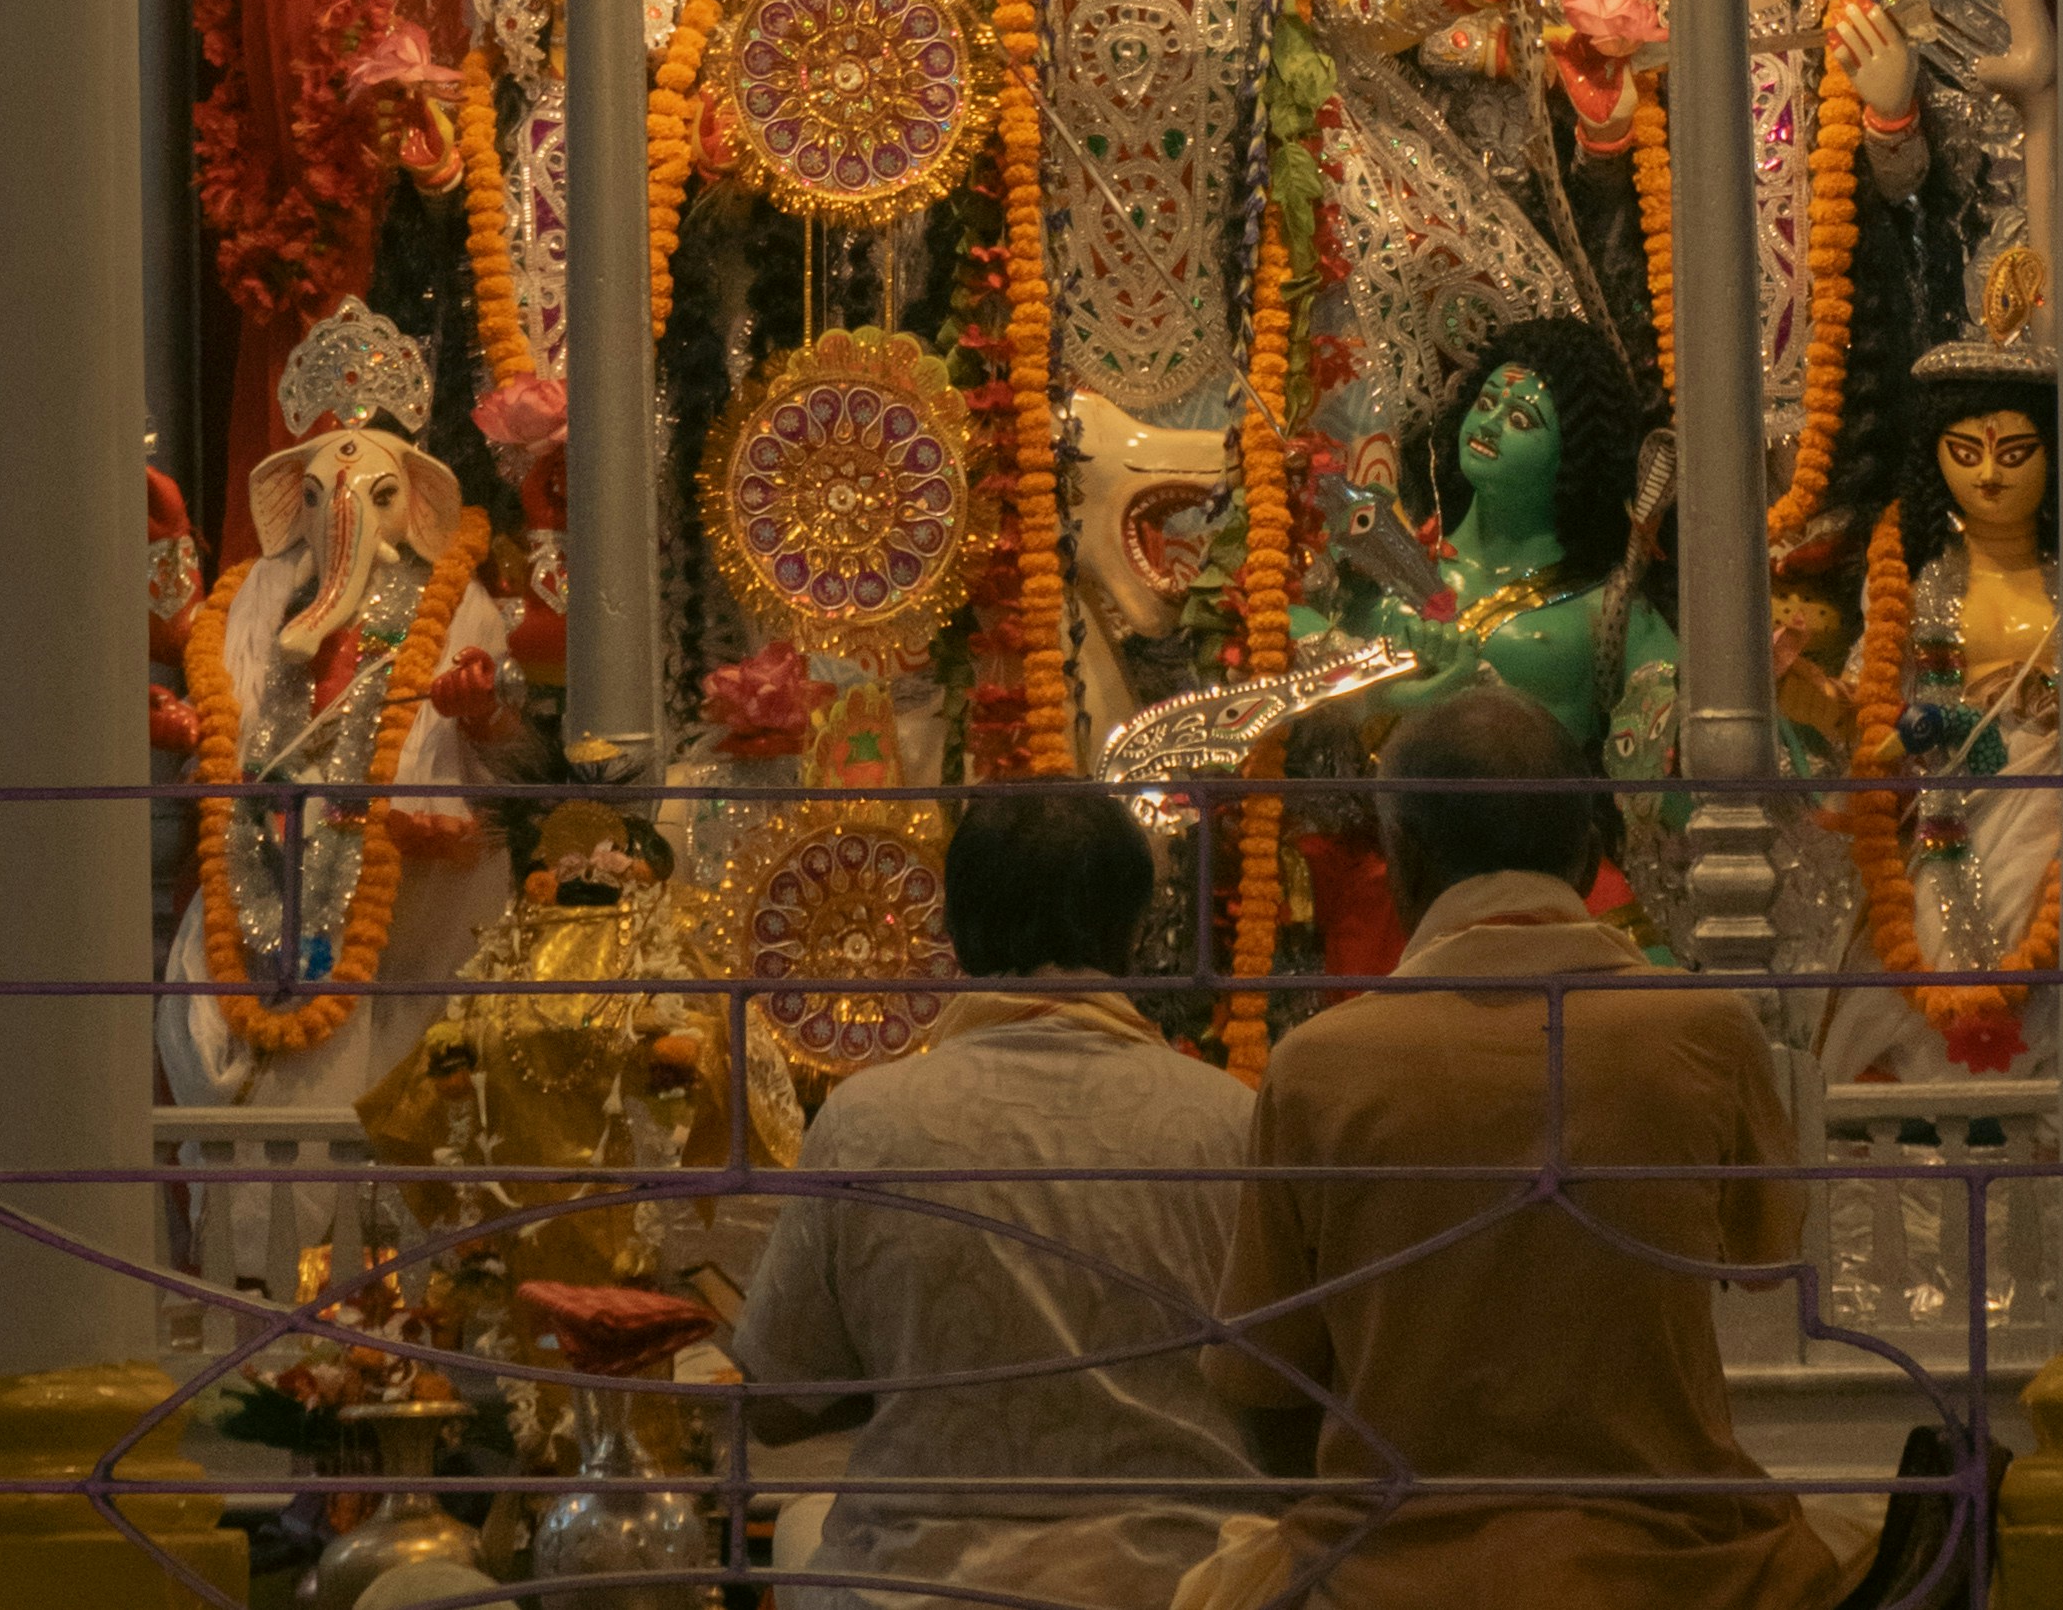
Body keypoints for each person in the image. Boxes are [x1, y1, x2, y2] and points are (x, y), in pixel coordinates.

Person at [1194, 682, 1882, 1608]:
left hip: (1392, 1573)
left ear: (1401, 861)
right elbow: (1765, 1261)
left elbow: (1262, 1383)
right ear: (1593, 852)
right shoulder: (1707, 1031)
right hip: (1675, 1568)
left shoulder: (1318, 1064)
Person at [730, 782, 1260, 1609]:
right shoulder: (1234, 1122)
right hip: (1175, 1583)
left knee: (802, 1525)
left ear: (955, 933)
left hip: (923, 1586)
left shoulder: (867, 1121)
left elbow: (777, 1400)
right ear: (1134, 930)